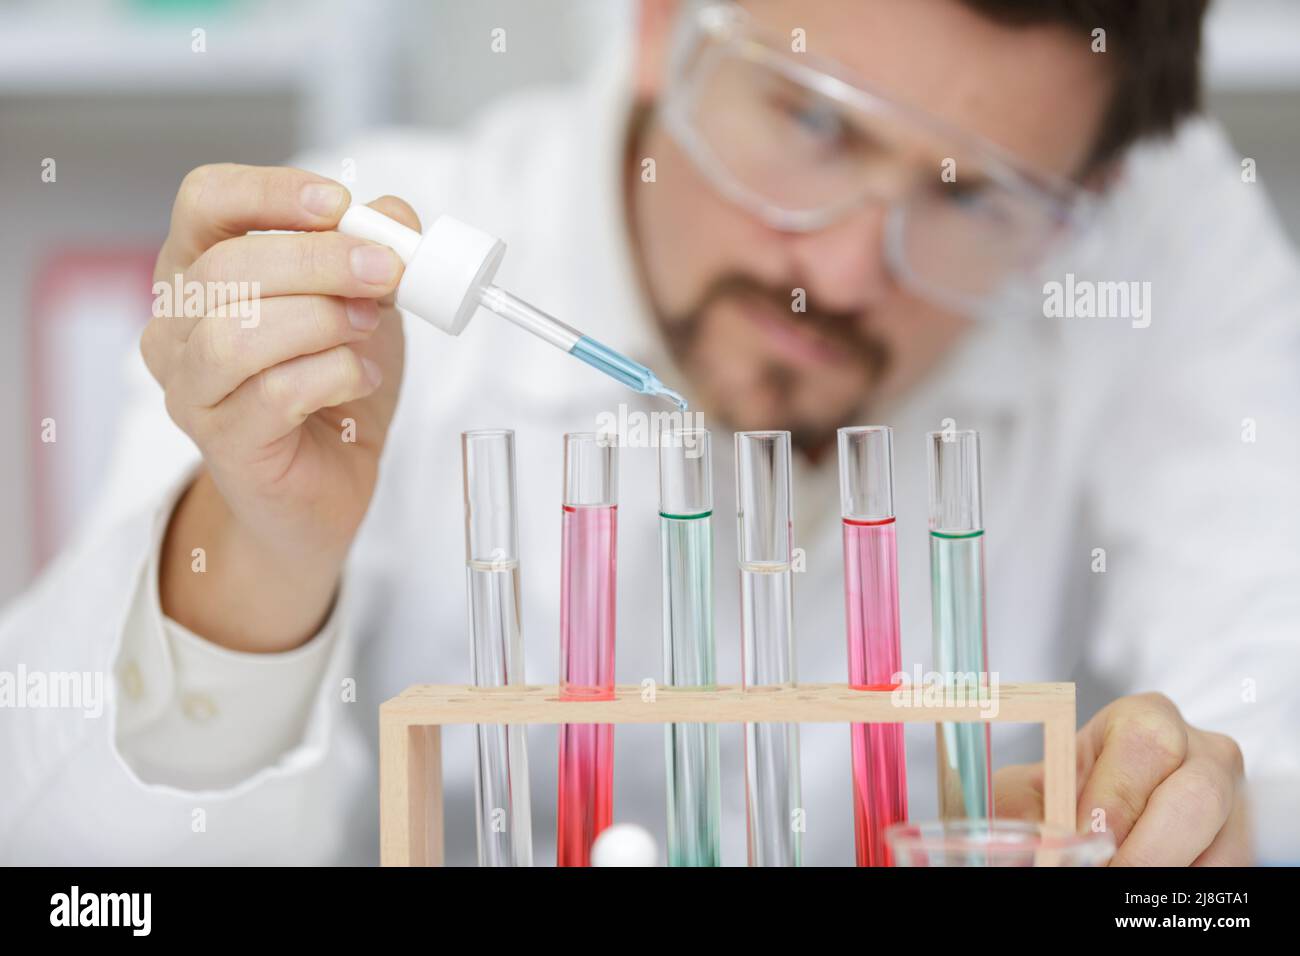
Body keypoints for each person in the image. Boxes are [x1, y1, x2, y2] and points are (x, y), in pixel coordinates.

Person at [2, 0, 1296, 866]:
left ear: (1096, 195)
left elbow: (1271, 711)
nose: (842, 273)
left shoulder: (1163, 261)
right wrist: (257, 557)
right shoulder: (367, 276)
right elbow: (73, 857)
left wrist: (1199, 823)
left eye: (968, 196)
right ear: (661, 26)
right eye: (810, 120)